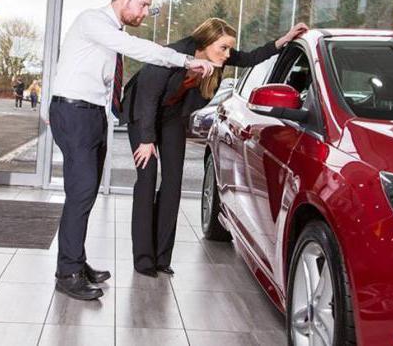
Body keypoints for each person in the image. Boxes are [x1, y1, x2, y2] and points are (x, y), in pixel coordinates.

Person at [48, 0, 215, 301]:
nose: (144, 13)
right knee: (81, 193)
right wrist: (185, 60)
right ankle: (67, 273)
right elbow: (139, 49)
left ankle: (75, 262)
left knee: (86, 193)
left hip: (92, 113)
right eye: (143, 5)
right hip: (75, 112)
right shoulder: (93, 22)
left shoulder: (110, 32)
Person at [119, 17, 308, 277]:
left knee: (173, 182)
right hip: (143, 115)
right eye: (223, 48)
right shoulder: (170, 55)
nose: (228, 54)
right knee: (147, 178)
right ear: (205, 43)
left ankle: (162, 258)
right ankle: (143, 259)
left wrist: (283, 40)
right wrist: (147, 139)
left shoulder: (217, 57)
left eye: (229, 48)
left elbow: (251, 58)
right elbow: (148, 97)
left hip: (172, 116)